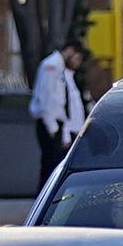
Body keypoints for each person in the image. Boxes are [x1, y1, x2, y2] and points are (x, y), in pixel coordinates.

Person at [30, 36, 89, 169]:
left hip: (57, 125)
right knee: (50, 167)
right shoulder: (52, 66)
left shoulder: (61, 68)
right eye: (77, 58)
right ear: (70, 51)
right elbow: (46, 98)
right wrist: (52, 127)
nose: (77, 63)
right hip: (51, 125)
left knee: (54, 167)